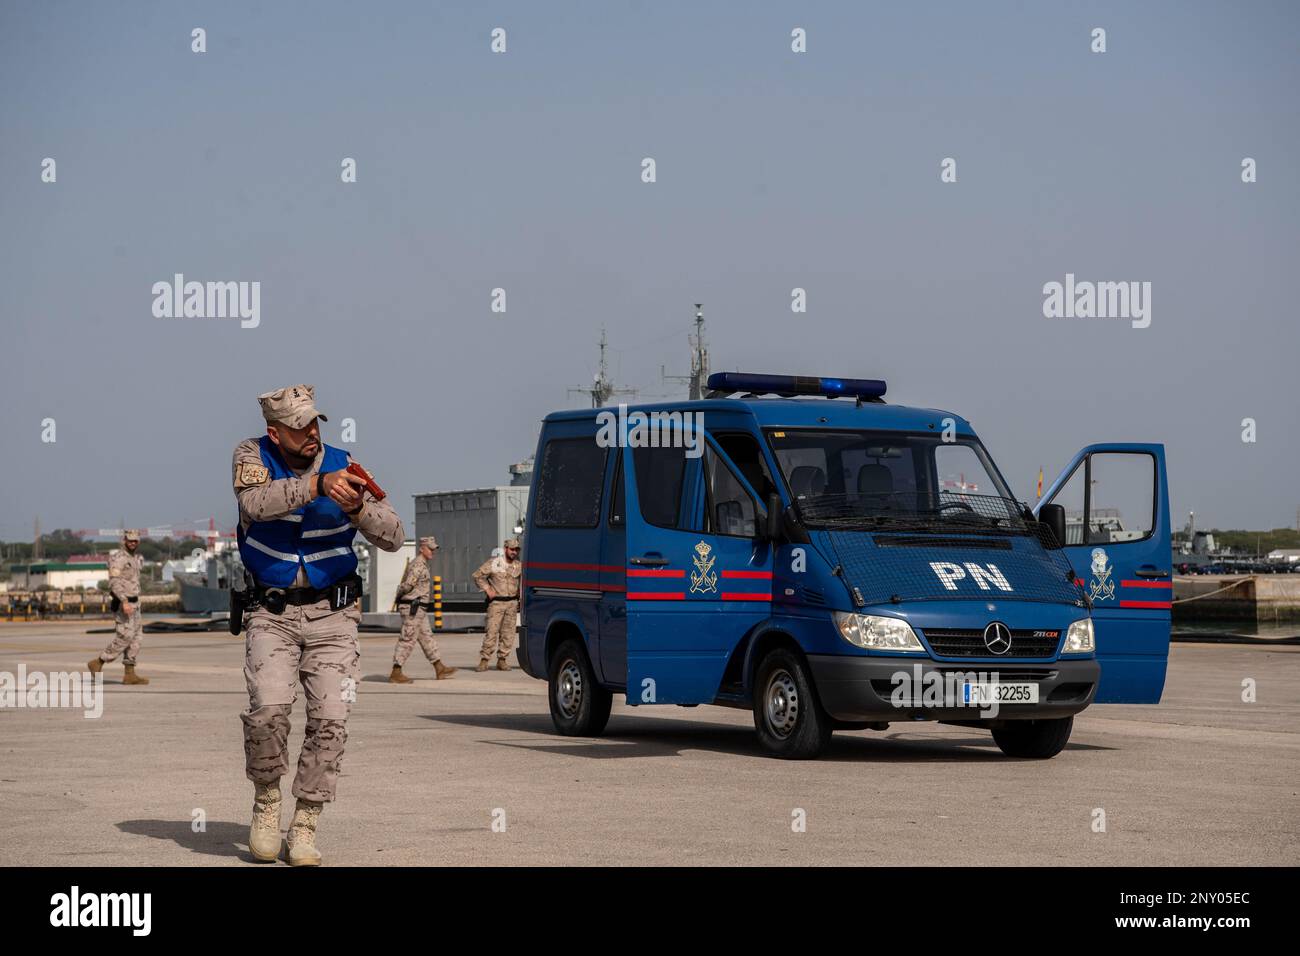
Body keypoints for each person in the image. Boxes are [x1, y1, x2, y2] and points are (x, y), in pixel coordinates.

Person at [233, 384, 403, 866]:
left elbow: (394, 536)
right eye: (297, 426)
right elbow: (254, 505)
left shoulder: (347, 465)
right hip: (273, 613)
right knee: (268, 711)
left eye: (314, 423)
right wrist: (316, 487)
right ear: (274, 431)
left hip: (334, 614)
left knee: (331, 720)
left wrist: (356, 508)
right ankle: (268, 803)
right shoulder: (252, 456)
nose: (310, 433)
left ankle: (305, 822)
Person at [390, 535, 457, 682]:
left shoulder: (423, 564)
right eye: (430, 548)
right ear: (422, 549)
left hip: (419, 609)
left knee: (426, 637)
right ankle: (396, 671)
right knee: (408, 638)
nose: (433, 551)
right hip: (412, 608)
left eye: (434, 548)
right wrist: (400, 594)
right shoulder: (418, 565)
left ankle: (439, 667)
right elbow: (408, 585)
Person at [87, 529, 149, 685]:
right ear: (124, 540)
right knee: (125, 636)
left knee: (136, 638)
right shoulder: (118, 558)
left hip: (135, 603)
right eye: (130, 540)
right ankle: (98, 662)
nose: (133, 543)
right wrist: (124, 601)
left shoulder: (134, 558)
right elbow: (114, 582)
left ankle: (130, 674)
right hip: (124, 604)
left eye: (135, 540)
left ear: (138, 542)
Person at [471, 537, 521, 672]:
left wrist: (520, 596)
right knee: (491, 632)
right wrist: (487, 589)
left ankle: (502, 660)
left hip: (511, 603)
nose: (514, 552)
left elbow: (522, 582)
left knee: (508, 634)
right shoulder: (494, 563)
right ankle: (484, 660)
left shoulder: (518, 566)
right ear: (505, 549)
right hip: (497, 603)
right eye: (511, 549)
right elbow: (477, 576)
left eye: (516, 550)